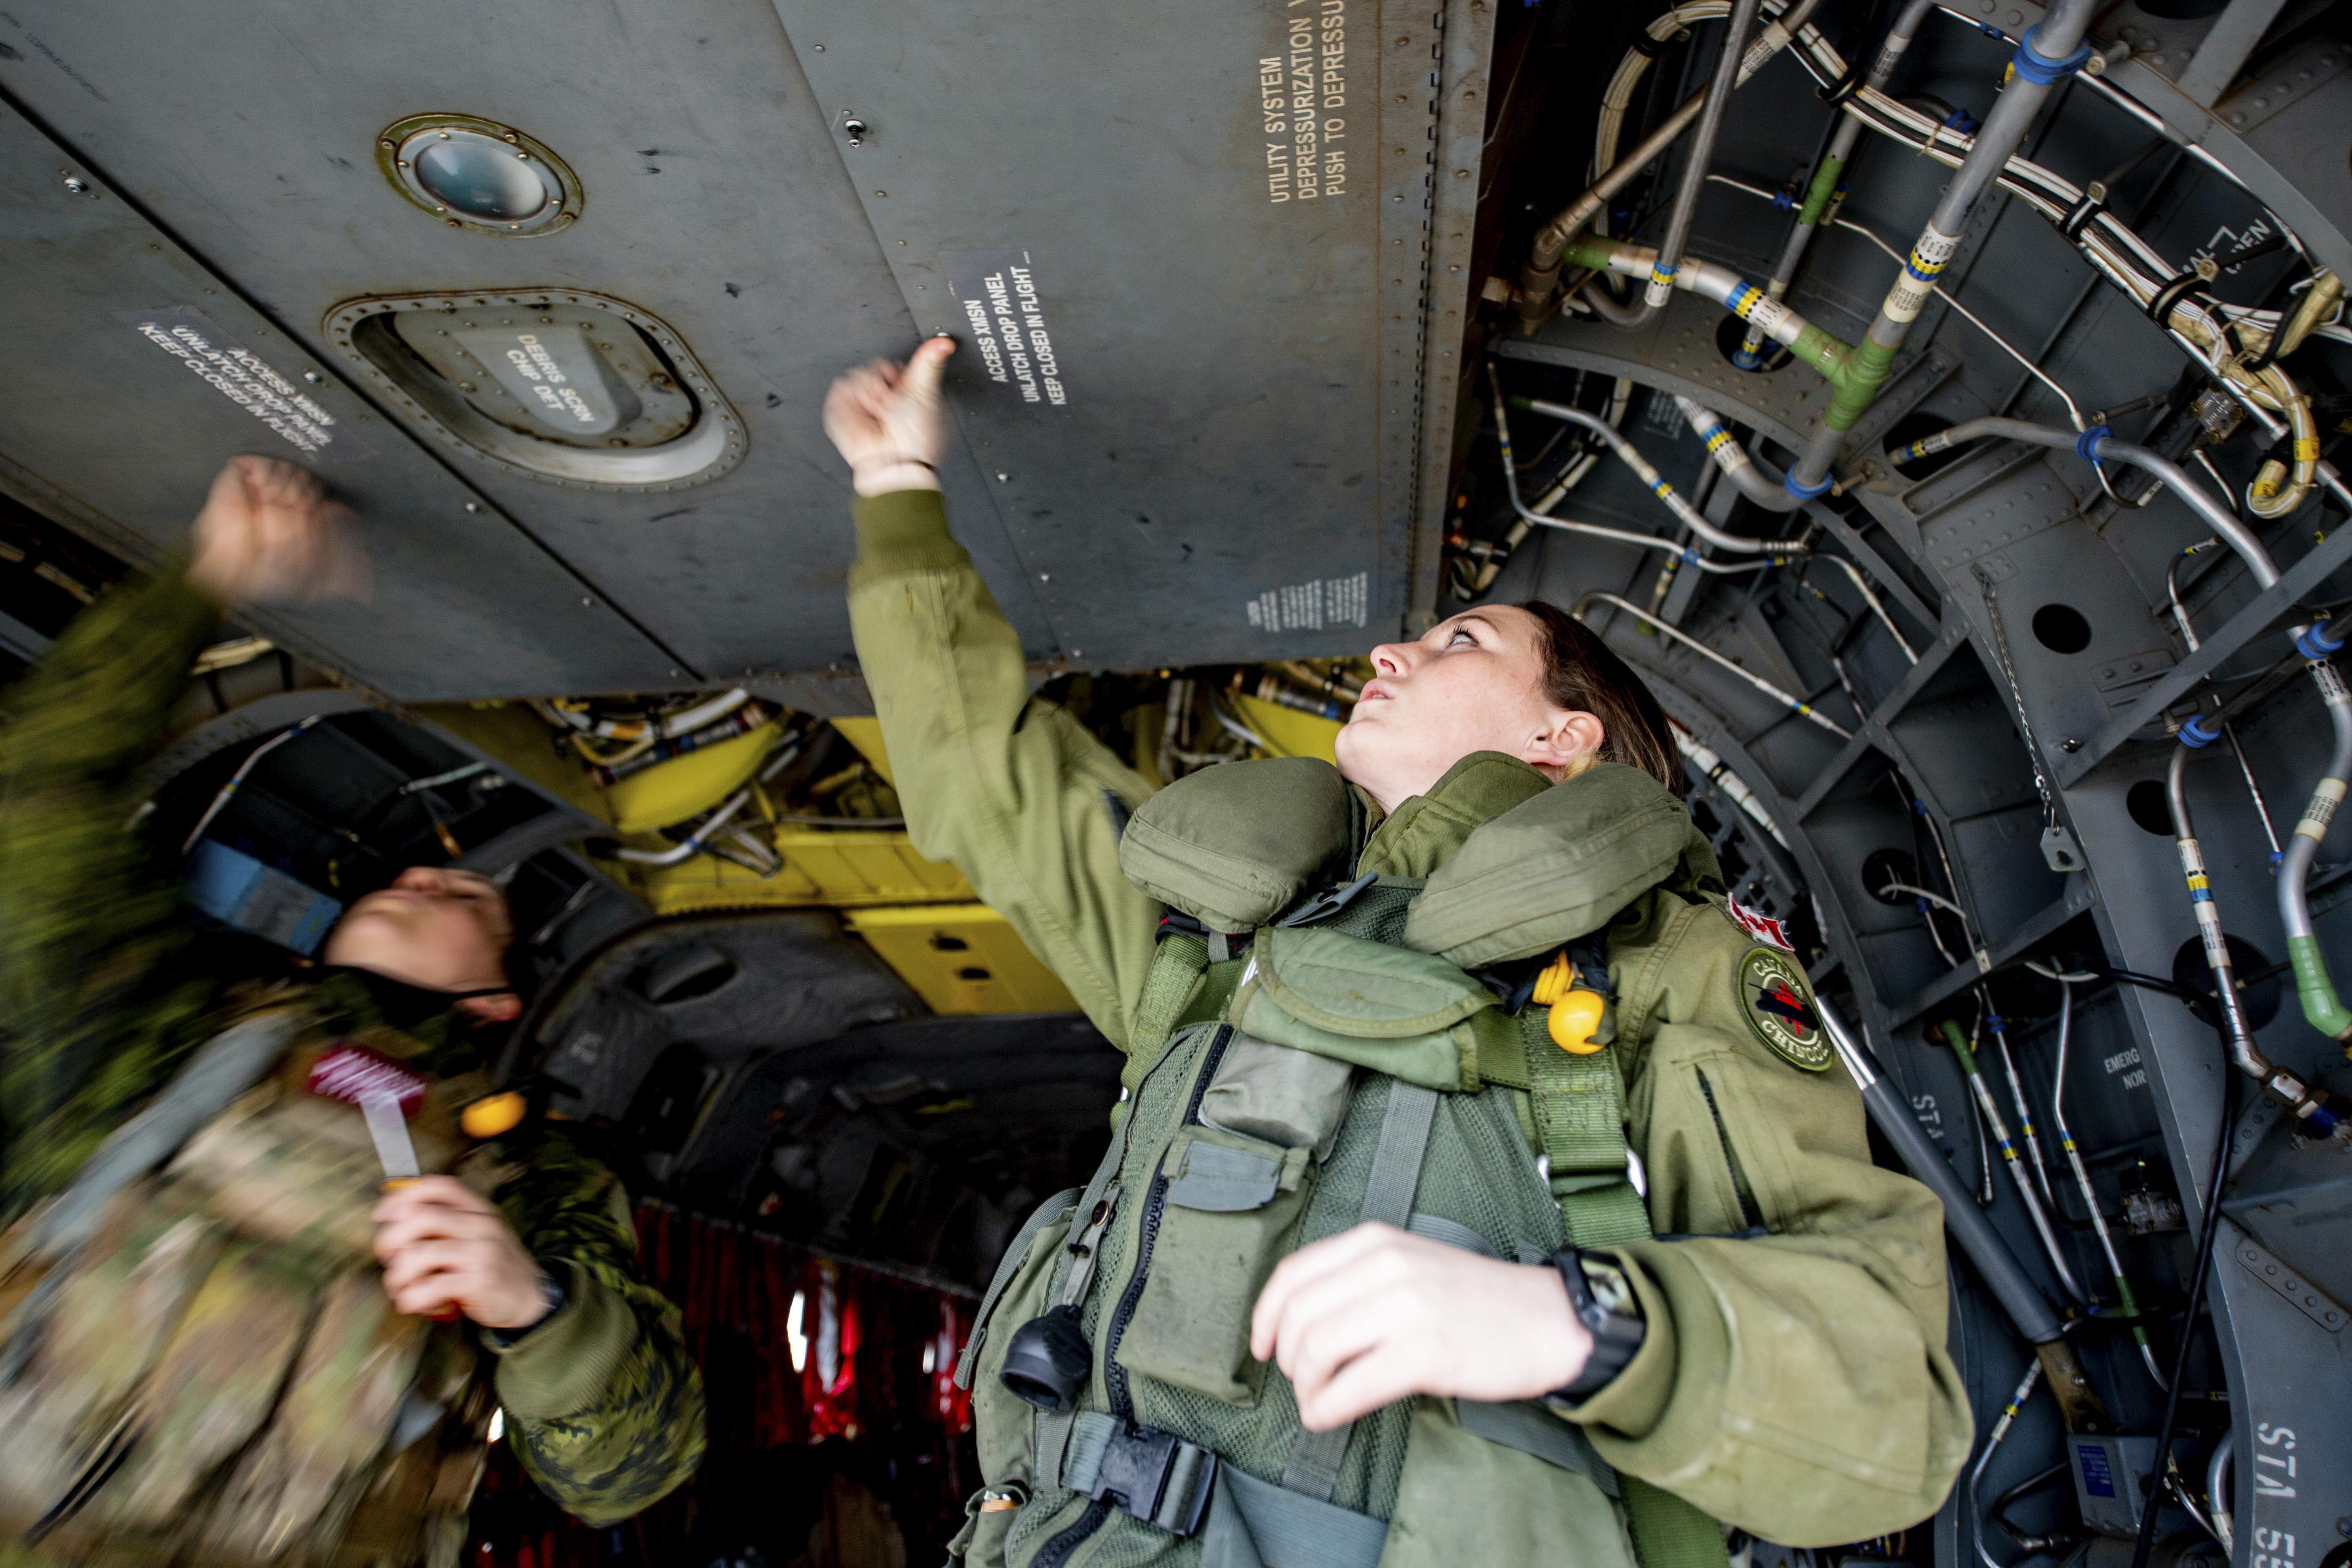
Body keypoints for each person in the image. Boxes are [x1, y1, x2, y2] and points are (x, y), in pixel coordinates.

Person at [824, 340, 1970, 1568]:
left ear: (1562, 736)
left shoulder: (1660, 962)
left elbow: (1894, 1412)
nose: (1390, 654)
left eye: (1461, 642)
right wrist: (898, 493)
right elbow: (991, 780)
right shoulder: (1229, 946)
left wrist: (1575, 1327)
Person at [0, 456, 704, 1566]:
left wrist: (530, 1303)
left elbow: (635, 1473)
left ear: (501, 997)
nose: (426, 877)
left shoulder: (537, 1183)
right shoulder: (172, 1031)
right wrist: (211, 572)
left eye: (468, 895)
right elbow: (34, 809)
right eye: (415, 876)